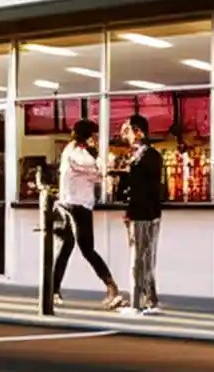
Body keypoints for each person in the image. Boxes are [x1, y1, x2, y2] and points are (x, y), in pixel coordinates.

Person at [53, 119, 125, 310]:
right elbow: (97, 171)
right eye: (94, 135)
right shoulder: (77, 153)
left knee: (66, 249)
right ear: (88, 136)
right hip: (76, 205)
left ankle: (53, 290)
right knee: (83, 249)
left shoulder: (74, 150)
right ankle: (111, 288)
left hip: (71, 204)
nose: (96, 139)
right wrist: (104, 164)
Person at [112, 114, 163, 315]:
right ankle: (150, 299)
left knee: (138, 257)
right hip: (150, 212)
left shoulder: (143, 157)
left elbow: (137, 187)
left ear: (138, 132)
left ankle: (137, 303)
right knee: (147, 257)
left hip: (141, 213)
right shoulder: (149, 155)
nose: (125, 135)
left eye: (127, 130)